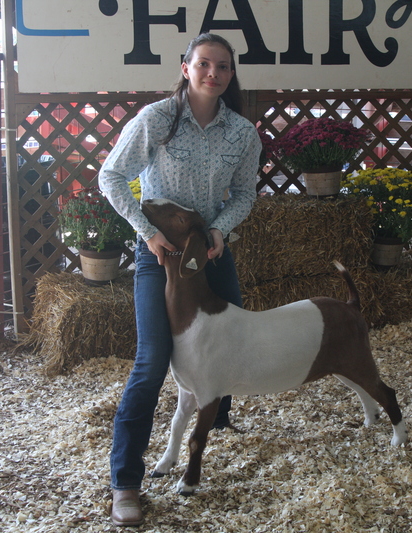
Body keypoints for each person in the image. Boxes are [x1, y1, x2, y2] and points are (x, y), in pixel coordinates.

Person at [98, 33, 262, 527]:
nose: (214, 73)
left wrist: (219, 230)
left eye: (224, 66)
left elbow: (245, 193)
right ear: (186, 67)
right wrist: (147, 233)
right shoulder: (157, 119)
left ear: (231, 74)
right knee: (152, 361)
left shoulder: (242, 133)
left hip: (209, 252)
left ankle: (218, 418)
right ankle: (126, 482)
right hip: (162, 255)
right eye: (205, 64)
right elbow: (111, 176)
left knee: (232, 337)